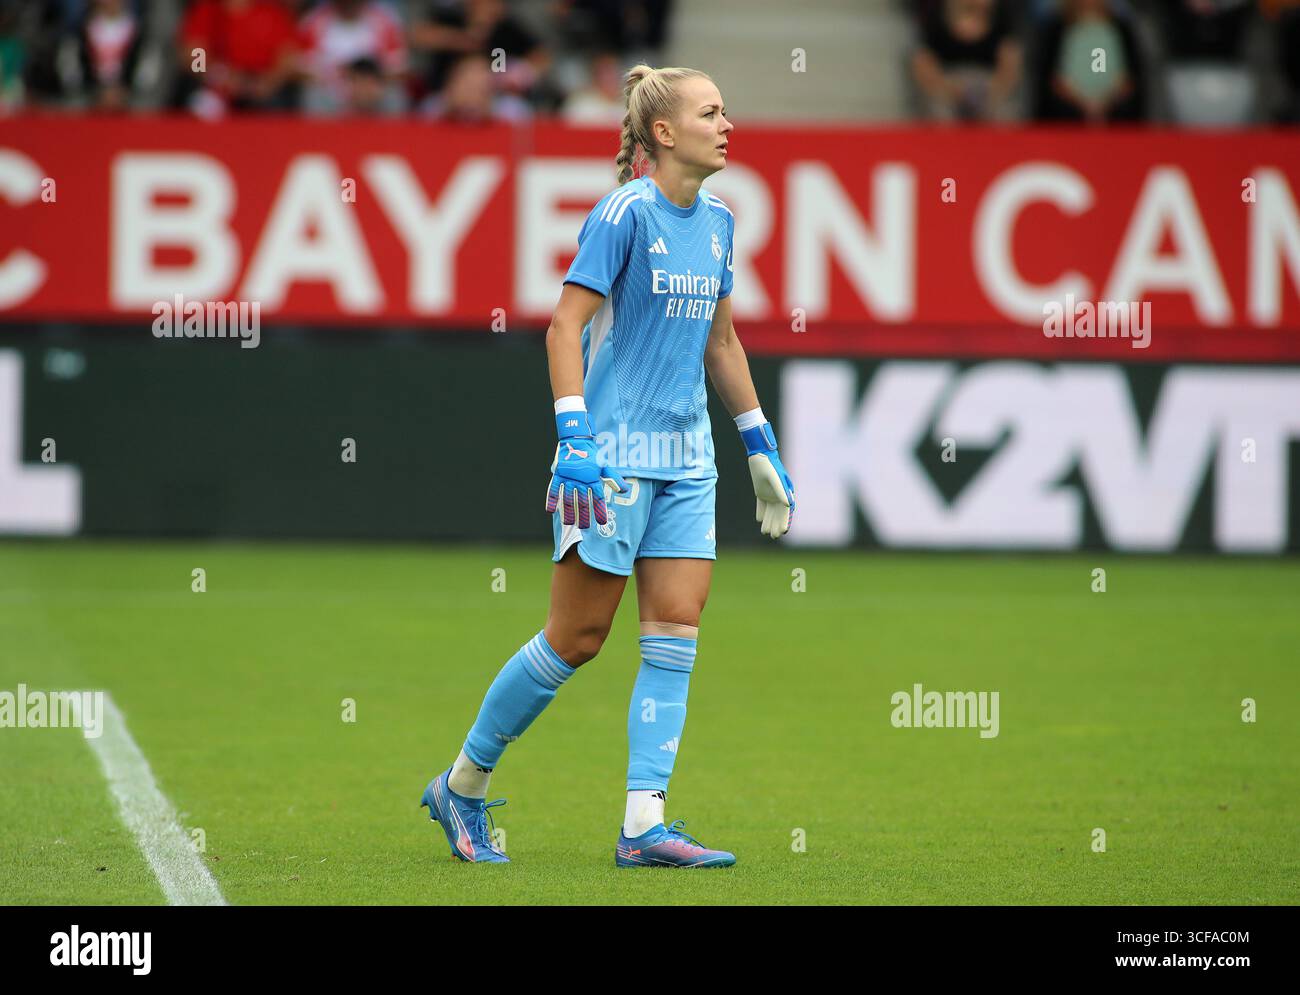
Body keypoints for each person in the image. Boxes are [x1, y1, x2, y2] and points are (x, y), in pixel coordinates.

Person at [419, 64, 796, 868]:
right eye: (710, 112)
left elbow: (721, 342)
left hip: (689, 462)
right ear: (663, 133)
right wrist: (575, 438)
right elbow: (564, 329)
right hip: (613, 459)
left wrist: (758, 441)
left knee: (673, 638)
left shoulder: (723, 220)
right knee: (577, 638)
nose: (728, 124)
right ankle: (463, 782)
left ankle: (642, 825)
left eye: (726, 110)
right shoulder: (624, 213)